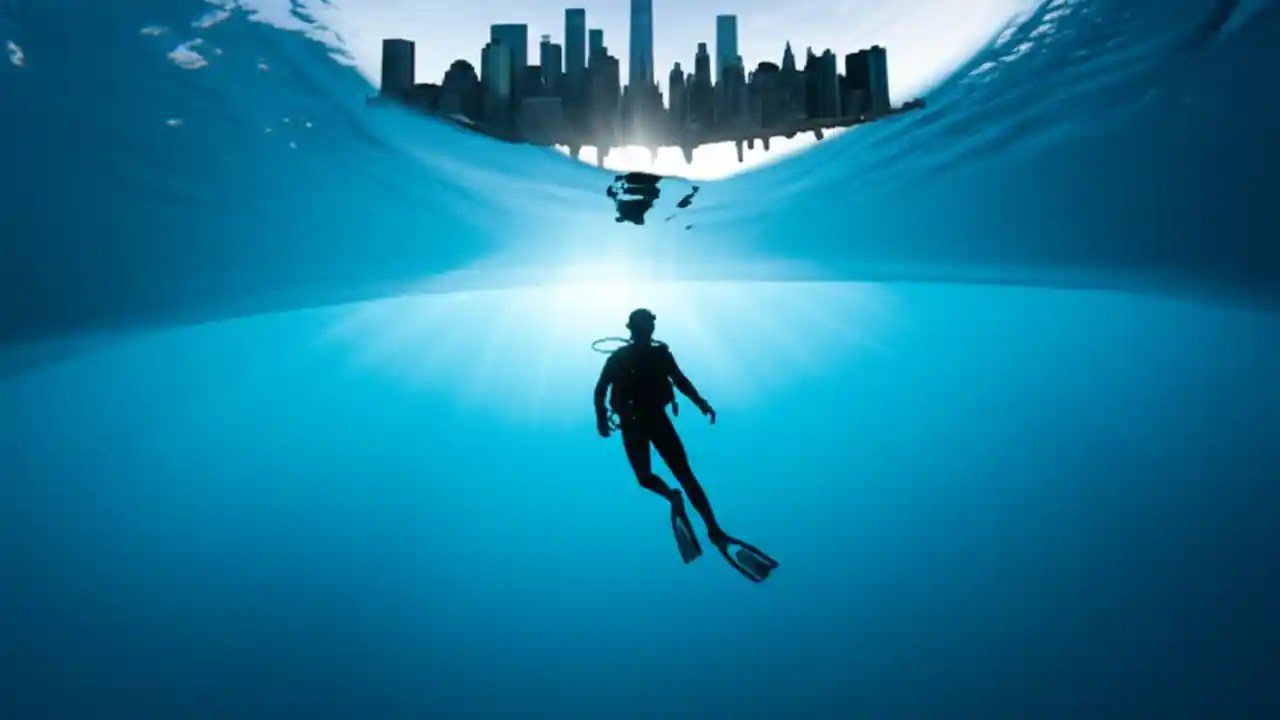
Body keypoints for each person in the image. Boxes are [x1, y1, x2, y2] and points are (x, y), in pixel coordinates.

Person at [593, 308, 779, 582]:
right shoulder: (656, 355)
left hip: (636, 423)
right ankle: (712, 528)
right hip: (653, 420)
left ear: (630, 328)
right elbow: (679, 382)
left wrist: (600, 419)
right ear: (646, 329)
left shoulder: (627, 357)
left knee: (649, 478)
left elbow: (602, 390)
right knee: (681, 475)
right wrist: (701, 403)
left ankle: (674, 498)